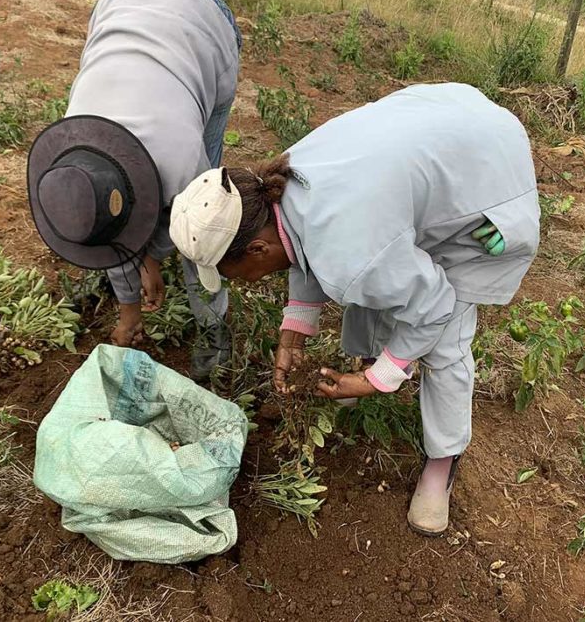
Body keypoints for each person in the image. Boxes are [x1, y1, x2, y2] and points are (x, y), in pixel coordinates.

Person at [168, 83, 540, 536]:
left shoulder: (351, 254)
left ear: (258, 247)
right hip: (445, 129)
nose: (234, 283)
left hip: (488, 173)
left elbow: (432, 303)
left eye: (231, 272)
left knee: (444, 343)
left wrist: (377, 380)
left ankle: (441, 466)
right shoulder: (277, 189)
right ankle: (369, 364)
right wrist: (293, 334)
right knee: (373, 278)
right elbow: (304, 246)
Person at [26, 0, 240, 378]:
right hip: (120, 3)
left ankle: (215, 331)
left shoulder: (178, 157)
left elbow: (198, 221)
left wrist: (152, 257)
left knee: (200, 235)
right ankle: (129, 282)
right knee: (104, 218)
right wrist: (129, 313)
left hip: (203, 26)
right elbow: (110, 222)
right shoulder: (71, 153)